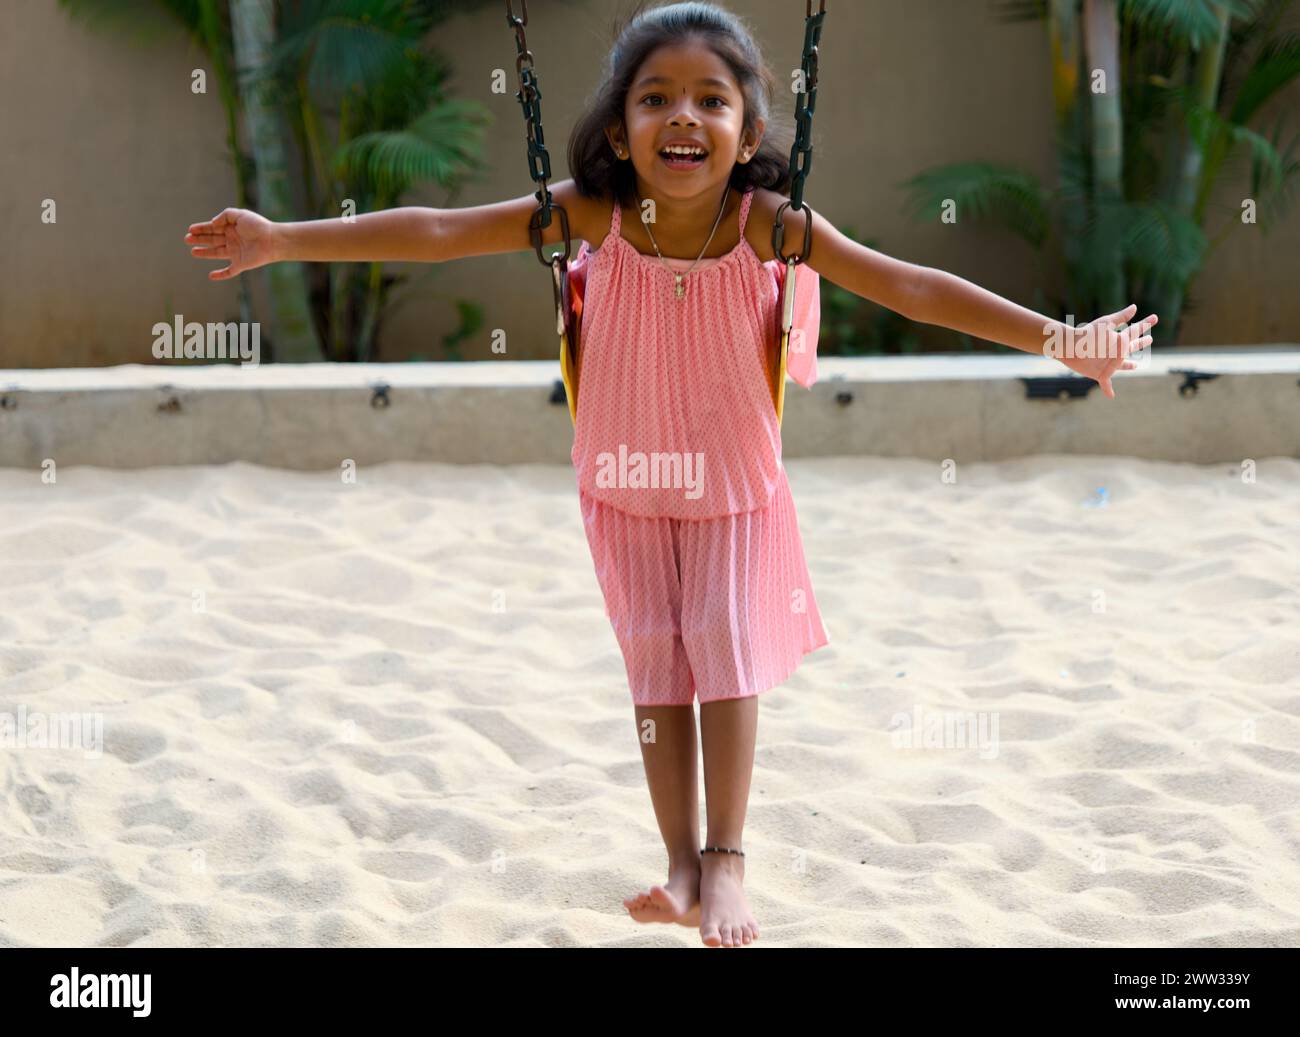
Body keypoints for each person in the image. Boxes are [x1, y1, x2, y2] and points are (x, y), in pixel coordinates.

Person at [184, 1, 1155, 948]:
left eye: (709, 99)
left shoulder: (768, 224)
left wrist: (1057, 338)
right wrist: (283, 237)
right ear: (618, 128)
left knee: (724, 657)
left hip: (733, 487)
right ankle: (681, 863)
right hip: (622, 485)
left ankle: (726, 855)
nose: (682, 115)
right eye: (654, 98)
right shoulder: (593, 214)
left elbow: (904, 282)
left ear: (748, 130)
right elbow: (437, 229)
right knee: (656, 671)